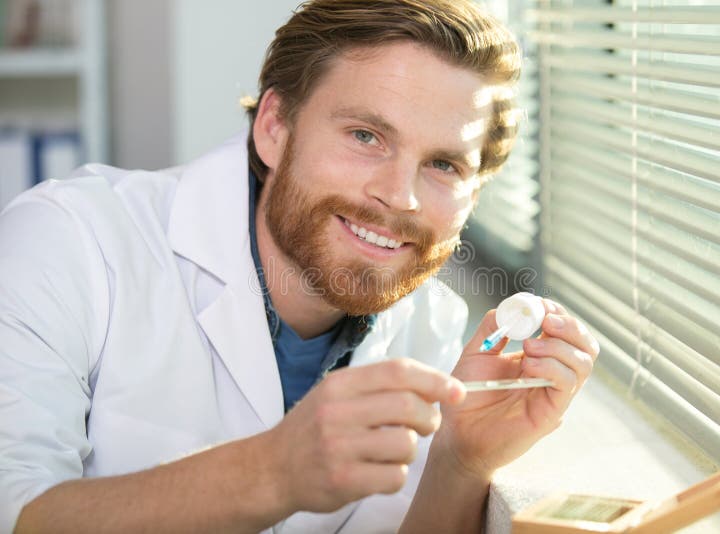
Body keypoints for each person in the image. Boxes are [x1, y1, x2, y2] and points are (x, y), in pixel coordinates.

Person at [0, 1, 599, 532]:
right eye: (366, 136)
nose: (401, 196)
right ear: (274, 129)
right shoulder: (68, 240)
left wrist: (460, 460)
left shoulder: (434, 328)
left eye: (444, 164)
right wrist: (271, 472)